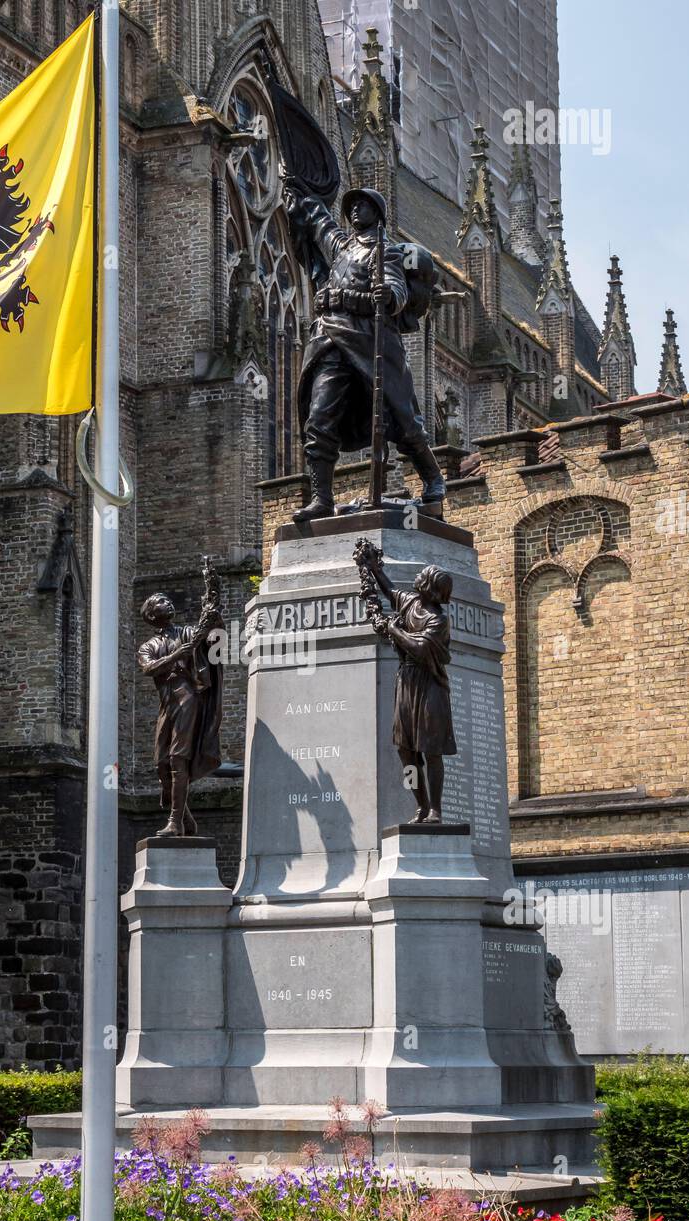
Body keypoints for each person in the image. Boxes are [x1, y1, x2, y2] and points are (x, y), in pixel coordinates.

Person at [282, 184, 446, 523]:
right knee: (318, 419)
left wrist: (390, 295)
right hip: (330, 336)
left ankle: (433, 480)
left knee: (402, 418)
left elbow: (397, 285)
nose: (355, 210)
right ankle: (322, 499)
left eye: (364, 204)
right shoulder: (340, 246)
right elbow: (318, 220)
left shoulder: (385, 251)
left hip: (370, 339)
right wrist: (297, 191)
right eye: (352, 205)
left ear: (378, 213)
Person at [359, 545, 456, 822]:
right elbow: (390, 592)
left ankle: (436, 808)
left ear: (431, 588)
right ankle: (421, 805)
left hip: (429, 687)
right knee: (406, 749)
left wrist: (392, 629)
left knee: (432, 748)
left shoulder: (438, 620)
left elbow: (420, 649)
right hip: (406, 682)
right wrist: (374, 569)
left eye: (424, 577)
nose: (419, 577)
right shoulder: (412, 603)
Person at [136, 565, 223, 837]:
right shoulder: (147, 646)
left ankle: (174, 821)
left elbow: (211, 641)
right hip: (167, 704)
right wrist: (175, 656)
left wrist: (212, 619)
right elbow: (149, 668)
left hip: (187, 697)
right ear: (151, 614)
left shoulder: (187, 632)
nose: (168, 602)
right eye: (161, 601)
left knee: (177, 757)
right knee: (161, 763)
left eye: (168, 599)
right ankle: (186, 818)